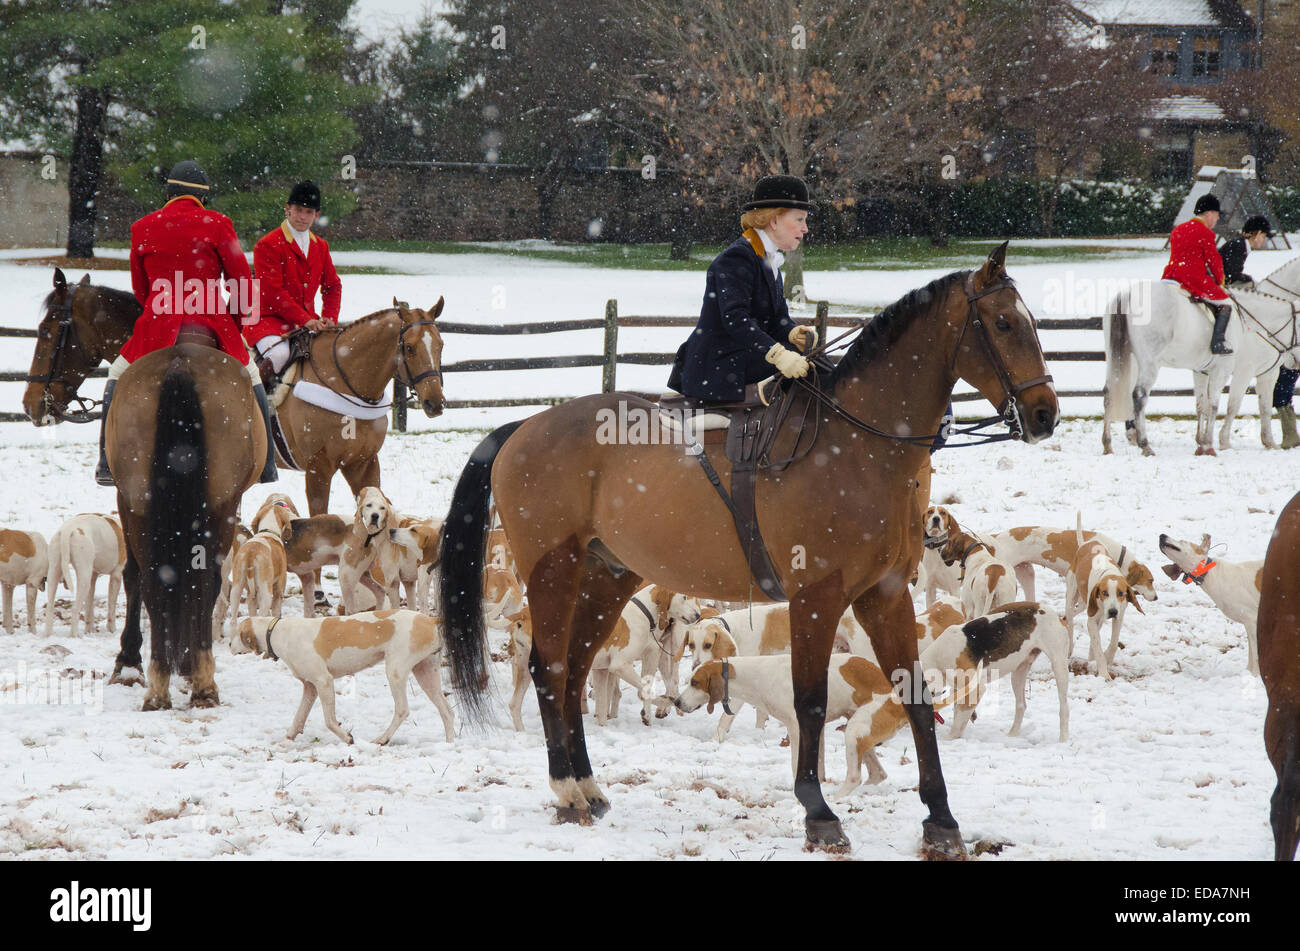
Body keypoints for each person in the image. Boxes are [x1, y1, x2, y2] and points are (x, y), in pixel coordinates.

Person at [96, 160, 277, 485]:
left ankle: (106, 462)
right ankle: (266, 466)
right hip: (210, 325)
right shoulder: (219, 224)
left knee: (116, 374)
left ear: (168, 193)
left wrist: (163, 309)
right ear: (203, 198)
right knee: (251, 377)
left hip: (157, 329)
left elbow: (141, 290)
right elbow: (241, 284)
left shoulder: (142, 227)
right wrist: (232, 327)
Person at [667, 175, 816, 402]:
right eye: (799, 219)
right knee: (812, 372)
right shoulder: (738, 257)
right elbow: (736, 320)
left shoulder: (769, 258)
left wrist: (792, 333)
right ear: (773, 221)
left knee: (815, 363)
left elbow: (776, 319)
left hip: (746, 356)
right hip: (721, 365)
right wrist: (778, 354)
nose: (805, 229)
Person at [243, 181, 342, 387]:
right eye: (298, 210)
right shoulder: (267, 244)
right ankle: (254, 399)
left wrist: (330, 318)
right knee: (279, 355)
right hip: (268, 321)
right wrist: (305, 319)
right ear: (287, 209)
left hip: (308, 323)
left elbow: (332, 286)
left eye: (308, 212)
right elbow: (272, 292)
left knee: (334, 355)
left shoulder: (320, 246)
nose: (302, 217)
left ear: (316, 215)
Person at [1161, 193, 1232, 355]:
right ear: (1208, 214)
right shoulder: (1205, 233)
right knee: (1226, 304)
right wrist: (1220, 281)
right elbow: (1215, 262)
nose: (1216, 220)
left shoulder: (1178, 229)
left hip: (1171, 276)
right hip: (1192, 278)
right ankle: (1218, 342)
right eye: (1216, 215)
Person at [1221, 215, 1274, 285]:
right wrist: (1247, 278)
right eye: (1263, 236)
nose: (1264, 240)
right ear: (1258, 233)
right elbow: (1232, 275)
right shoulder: (1239, 246)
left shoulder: (1240, 243)